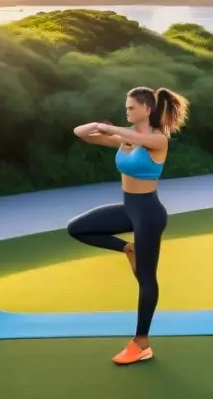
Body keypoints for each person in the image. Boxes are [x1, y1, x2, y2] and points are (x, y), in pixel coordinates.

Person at [68, 86, 189, 365]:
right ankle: (127, 249)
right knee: (77, 228)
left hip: (149, 214)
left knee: (146, 279)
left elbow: (135, 137)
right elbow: (80, 133)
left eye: (132, 107)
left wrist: (112, 129)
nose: (127, 112)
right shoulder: (126, 138)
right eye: (126, 108)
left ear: (147, 109)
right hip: (128, 208)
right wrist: (100, 126)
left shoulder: (158, 140)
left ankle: (141, 343)